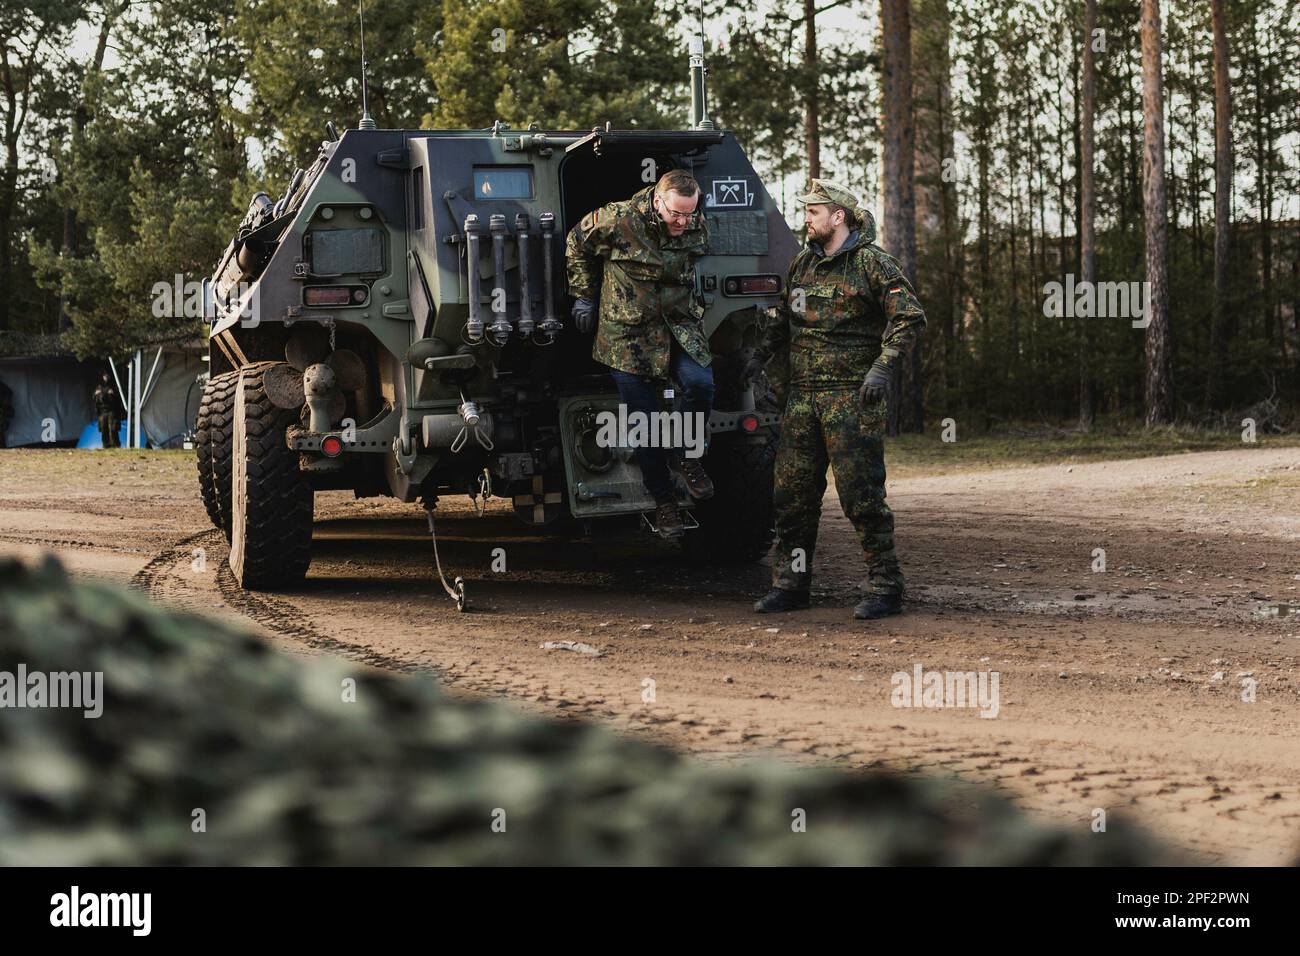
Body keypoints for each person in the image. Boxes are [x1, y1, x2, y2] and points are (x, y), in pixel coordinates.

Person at [744, 179, 926, 620]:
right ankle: (791, 585)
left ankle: (885, 587)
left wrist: (883, 367)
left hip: (850, 399)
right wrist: (758, 357)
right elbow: (783, 318)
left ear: (838, 217)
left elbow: (909, 318)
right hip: (802, 399)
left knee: (862, 499)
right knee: (792, 497)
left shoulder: (871, 263)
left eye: (814, 212)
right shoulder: (802, 263)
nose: (806, 219)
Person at [565, 170, 715, 539]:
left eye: (689, 214)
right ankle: (663, 502)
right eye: (676, 214)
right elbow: (577, 242)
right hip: (627, 335)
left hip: (677, 326)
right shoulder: (618, 219)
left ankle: (685, 454)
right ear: (657, 201)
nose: (683, 222)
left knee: (701, 385)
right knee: (646, 423)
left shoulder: (695, 222)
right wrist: (584, 295)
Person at [93, 373, 121, 449]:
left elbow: (118, 399)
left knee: (113, 428)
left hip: (111, 410)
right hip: (102, 411)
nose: (106, 378)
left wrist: (113, 393)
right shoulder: (98, 387)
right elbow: (94, 398)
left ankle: (115, 445)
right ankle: (105, 445)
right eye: (104, 376)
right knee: (103, 428)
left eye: (107, 376)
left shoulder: (113, 386)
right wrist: (96, 395)